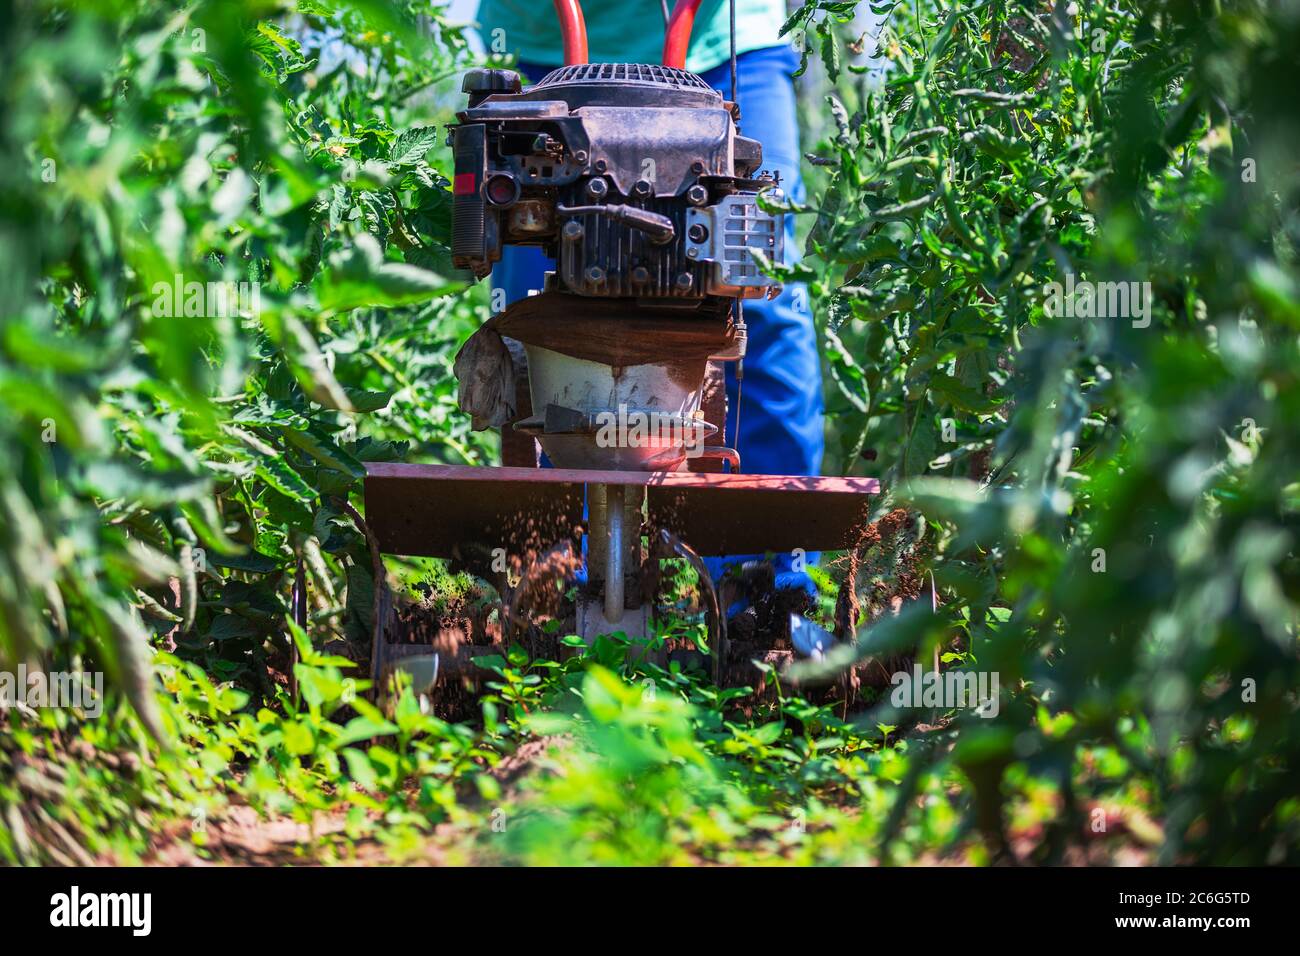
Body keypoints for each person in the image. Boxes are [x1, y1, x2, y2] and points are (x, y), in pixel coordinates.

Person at [474, 0, 826, 610]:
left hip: (723, 53)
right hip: (548, 56)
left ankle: (768, 585)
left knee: (759, 293)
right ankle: (548, 576)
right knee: (535, 301)